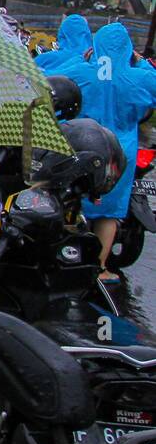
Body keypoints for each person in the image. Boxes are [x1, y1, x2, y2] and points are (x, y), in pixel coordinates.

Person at [78, 23, 156, 278]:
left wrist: (84, 60)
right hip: (121, 151)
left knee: (74, 202)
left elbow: (51, 79)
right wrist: (141, 63)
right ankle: (100, 268)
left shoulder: (85, 72)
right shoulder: (139, 77)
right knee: (109, 212)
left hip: (85, 144)